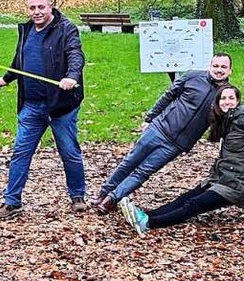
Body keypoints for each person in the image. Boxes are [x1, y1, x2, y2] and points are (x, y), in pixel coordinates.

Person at [119, 84, 244, 235]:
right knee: (185, 198)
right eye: (223, 98)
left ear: (238, 101)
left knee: (194, 205)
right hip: (220, 177)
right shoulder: (226, 121)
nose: (227, 102)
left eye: (231, 98)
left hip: (236, 183)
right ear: (218, 102)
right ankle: (145, 214)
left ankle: (148, 223)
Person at [92, 53, 233, 213]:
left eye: (223, 67)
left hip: (178, 143)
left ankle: (111, 199)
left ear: (230, 71)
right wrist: (149, 118)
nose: (219, 70)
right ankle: (103, 193)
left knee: (144, 171)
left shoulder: (226, 94)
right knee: (130, 161)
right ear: (210, 65)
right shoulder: (193, 76)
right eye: (216, 66)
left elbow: (226, 120)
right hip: (159, 128)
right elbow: (169, 95)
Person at [0, 0, 86, 219]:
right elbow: (20, 59)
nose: (36, 12)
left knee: (69, 152)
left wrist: (72, 76)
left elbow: (76, 54)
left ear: (50, 6)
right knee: (20, 153)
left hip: (60, 106)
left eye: (41, 7)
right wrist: (7, 78)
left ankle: (77, 196)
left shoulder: (66, 29)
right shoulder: (26, 31)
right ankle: (12, 201)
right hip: (32, 106)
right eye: (32, 8)